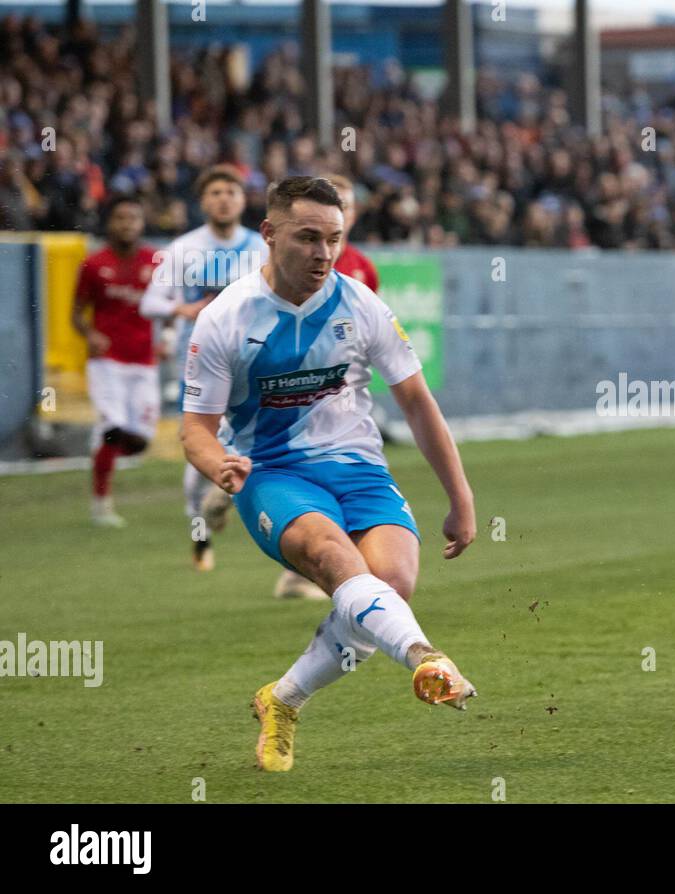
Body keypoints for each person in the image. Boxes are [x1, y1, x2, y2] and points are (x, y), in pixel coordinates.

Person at [180, 176, 477, 771]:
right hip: (274, 474)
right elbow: (195, 429)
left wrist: (460, 496)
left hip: (358, 469)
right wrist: (221, 466)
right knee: (332, 557)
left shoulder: (362, 305)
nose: (323, 254)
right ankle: (426, 655)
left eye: (334, 239)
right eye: (308, 237)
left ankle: (282, 699)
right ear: (268, 233)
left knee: (389, 586)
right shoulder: (225, 319)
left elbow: (417, 402)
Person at [197, 173, 378, 600]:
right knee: (277, 465)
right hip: (272, 400)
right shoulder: (281, 265)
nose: (345, 214)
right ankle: (228, 488)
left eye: (349, 207)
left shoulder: (360, 270)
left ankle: (303, 577)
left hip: (332, 397)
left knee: (339, 471)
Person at [140, 164, 268, 570]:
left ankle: (241, 502)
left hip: (254, 362)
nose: (224, 199)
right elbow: (149, 302)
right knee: (198, 453)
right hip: (198, 363)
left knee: (258, 442)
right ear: (202, 202)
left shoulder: (263, 248)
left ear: (243, 199)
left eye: (231, 191)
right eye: (215, 192)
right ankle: (201, 532)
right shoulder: (184, 249)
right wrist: (182, 308)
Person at [72, 194, 159, 527]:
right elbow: (77, 314)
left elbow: (168, 307)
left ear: (141, 222)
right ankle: (101, 504)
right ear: (110, 223)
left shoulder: (157, 261)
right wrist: (89, 334)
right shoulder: (94, 264)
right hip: (106, 361)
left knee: (138, 440)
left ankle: (102, 452)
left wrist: (164, 338)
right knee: (113, 430)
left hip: (144, 361)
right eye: (120, 218)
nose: (127, 224)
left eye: (133, 218)